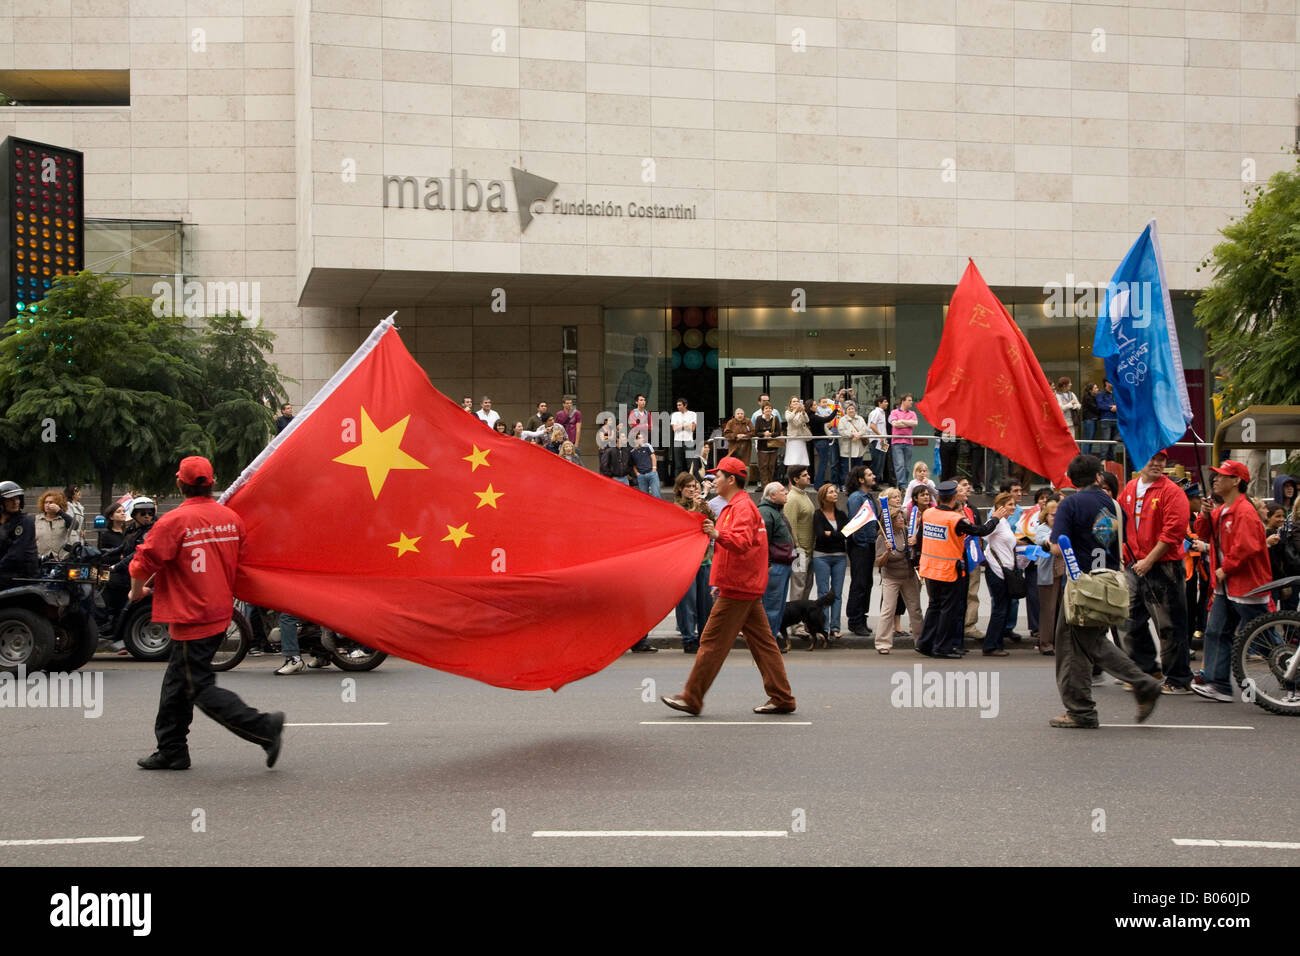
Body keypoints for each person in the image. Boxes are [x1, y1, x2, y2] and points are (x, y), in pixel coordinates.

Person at [131, 456, 284, 770]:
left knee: (197, 687)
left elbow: (143, 561)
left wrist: (136, 592)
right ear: (212, 482)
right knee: (176, 684)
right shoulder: (230, 518)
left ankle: (263, 728)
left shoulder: (174, 521)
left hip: (192, 618)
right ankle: (172, 749)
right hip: (218, 614)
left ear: (179, 483)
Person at [661, 456, 796, 716]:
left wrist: (716, 534)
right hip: (741, 585)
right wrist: (717, 581)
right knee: (764, 644)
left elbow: (741, 542)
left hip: (739, 587)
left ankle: (692, 697)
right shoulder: (736, 506)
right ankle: (782, 697)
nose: (714, 480)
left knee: (711, 641)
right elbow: (732, 549)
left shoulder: (742, 508)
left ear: (731, 480)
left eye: (718, 476)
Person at [1048, 454, 1161, 728]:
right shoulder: (1113, 505)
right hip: (1108, 583)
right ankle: (1082, 708)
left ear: (1073, 480)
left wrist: (1045, 545)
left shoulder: (1070, 504)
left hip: (1081, 586)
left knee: (1078, 645)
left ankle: (1134, 686)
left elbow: (1057, 547)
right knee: (1086, 643)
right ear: (1098, 477)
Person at [1192, 460, 1273, 703]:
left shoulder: (1244, 510)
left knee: (1266, 638)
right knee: (1216, 632)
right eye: (1215, 476)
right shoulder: (1224, 509)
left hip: (1247, 586)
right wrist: (1205, 515)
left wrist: (1225, 568)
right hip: (1226, 587)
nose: (1215, 479)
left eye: (1222, 476)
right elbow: (1204, 533)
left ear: (1236, 481)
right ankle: (1219, 685)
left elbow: (1247, 547)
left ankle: (1293, 679)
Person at [1118, 449, 1193, 695]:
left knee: (1169, 625)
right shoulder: (1129, 489)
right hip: (1134, 564)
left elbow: (1173, 533)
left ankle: (1179, 677)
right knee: (1129, 620)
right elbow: (1121, 522)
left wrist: (1149, 560)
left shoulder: (1172, 491)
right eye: (1153, 458)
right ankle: (1145, 669)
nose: (1157, 463)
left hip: (1164, 566)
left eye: (1161, 459)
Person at [916, 481, 1010, 659]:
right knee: (947, 610)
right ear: (953, 498)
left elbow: (921, 537)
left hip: (929, 568)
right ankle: (941, 647)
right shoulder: (955, 519)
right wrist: (996, 518)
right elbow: (980, 530)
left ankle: (925, 643)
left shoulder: (928, 513)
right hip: (948, 570)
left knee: (934, 607)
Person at [874, 487, 921, 653]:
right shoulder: (883, 538)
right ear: (891, 521)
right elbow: (879, 563)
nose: (902, 519)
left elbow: (915, 554)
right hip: (891, 577)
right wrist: (887, 551)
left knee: (915, 609)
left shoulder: (907, 532)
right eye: (899, 517)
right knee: (888, 610)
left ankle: (920, 641)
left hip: (909, 576)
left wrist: (915, 544)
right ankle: (883, 643)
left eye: (902, 516)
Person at [672, 472, 714, 654]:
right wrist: (695, 510)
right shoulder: (675, 508)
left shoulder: (701, 505)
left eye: (694, 486)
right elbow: (684, 527)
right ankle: (688, 637)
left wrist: (704, 508)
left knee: (705, 602)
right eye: (687, 487)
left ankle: (704, 636)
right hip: (685, 562)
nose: (691, 490)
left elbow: (714, 522)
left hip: (704, 559)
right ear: (680, 489)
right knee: (687, 602)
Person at [981, 492, 1025, 657]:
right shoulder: (997, 522)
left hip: (1006, 571)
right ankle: (991, 645)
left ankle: (996, 643)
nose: (1013, 507)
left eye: (1014, 504)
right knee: (1000, 609)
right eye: (1010, 505)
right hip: (996, 570)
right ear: (1001, 507)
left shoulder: (1005, 522)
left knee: (1003, 608)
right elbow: (984, 534)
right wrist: (994, 518)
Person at [758, 482, 796, 651]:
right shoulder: (766, 512)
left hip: (782, 566)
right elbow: (762, 542)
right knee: (771, 606)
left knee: (777, 606)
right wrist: (766, 565)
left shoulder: (775, 511)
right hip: (775, 567)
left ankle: (770, 641)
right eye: (782, 491)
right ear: (772, 496)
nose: (786, 492)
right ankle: (767, 643)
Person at [811, 483, 849, 641]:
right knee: (824, 593)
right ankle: (823, 627)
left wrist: (831, 534)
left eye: (835, 492)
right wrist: (837, 534)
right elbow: (820, 535)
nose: (835, 494)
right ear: (823, 496)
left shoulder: (841, 514)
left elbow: (847, 533)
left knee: (838, 593)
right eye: (831, 492)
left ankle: (835, 627)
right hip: (821, 556)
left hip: (840, 556)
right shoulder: (818, 514)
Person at [844, 465, 879, 637]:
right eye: (869, 474)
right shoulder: (856, 498)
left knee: (867, 583)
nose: (873, 476)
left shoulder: (869, 496)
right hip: (861, 546)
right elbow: (855, 524)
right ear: (860, 479)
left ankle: (861, 618)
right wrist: (863, 543)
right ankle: (855, 620)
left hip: (869, 544)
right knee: (859, 583)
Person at [1033, 498, 1064, 655]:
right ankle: (1046, 643)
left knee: (1063, 610)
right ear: (1046, 516)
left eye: (1059, 515)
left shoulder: (1063, 528)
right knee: (1048, 610)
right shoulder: (1042, 529)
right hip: (1048, 575)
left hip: (1063, 573)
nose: (1056, 518)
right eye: (1053, 515)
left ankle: (1060, 641)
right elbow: (1045, 541)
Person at [1182, 483, 1211, 643]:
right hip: (1185, 572)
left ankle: (1193, 635)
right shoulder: (1181, 518)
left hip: (1197, 570)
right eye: (1197, 498)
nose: (1200, 501)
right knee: (1186, 610)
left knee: (1193, 608)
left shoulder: (1194, 518)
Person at [783, 464, 816, 603]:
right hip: (799, 552)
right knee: (798, 589)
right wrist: (797, 549)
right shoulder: (792, 498)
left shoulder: (803, 495)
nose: (808, 476)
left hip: (808, 551)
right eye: (804, 475)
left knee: (807, 587)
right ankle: (795, 624)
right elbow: (790, 526)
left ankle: (802, 620)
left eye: (807, 474)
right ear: (795, 479)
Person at [0, 481, 38, 589]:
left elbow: (16, 555)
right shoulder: (3, 523)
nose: (15, 502)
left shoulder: (25, 522)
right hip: (6, 574)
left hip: (21, 576)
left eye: (17, 498)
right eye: (10, 499)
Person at [34, 490, 77, 560]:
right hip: (42, 560)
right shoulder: (36, 520)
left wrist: (60, 511)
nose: (47, 505)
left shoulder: (64, 519)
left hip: (61, 559)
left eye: (51, 502)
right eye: (45, 502)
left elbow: (75, 526)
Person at [888, 393, 918, 489]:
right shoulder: (894, 412)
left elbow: (915, 423)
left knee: (907, 466)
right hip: (897, 442)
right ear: (903, 401)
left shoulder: (912, 413)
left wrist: (902, 421)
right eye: (909, 400)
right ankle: (903, 485)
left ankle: (904, 483)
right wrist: (908, 423)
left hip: (908, 442)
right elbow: (895, 424)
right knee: (900, 464)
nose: (911, 402)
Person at [836, 401, 867, 489]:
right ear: (846, 410)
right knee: (846, 469)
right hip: (847, 449)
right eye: (849, 409)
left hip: (859, 449)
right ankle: (845, 485)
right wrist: (852, 434)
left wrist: (858, 435)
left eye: (852, 408)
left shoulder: (860, 418)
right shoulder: (843, 420)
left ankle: (857, 485)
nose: (851, 410)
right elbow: (841, 431)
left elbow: (865, 429)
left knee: (858, 469)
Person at [755, 402, 783, 488]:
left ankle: (770, 487)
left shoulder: (775, 418)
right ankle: (765, 488)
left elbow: (778, 432)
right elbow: (756, 432)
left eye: (770, 408)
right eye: (766, 408)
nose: (768, 410)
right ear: (763, 410)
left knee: (771, 467)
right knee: (763, 467)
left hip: (773, 447)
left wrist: (771, 434)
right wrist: (764, 434)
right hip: (762, 447)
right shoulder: (759, 419)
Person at [722, 407, 755, 478]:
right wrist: (736, 436)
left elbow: (753, 432)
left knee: (745, 467)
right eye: (738, 414)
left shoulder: (748, 421)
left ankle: (744, 485)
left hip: (746, 448)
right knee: (733, 466)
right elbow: (726, 434)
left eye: (741, 414)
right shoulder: (730, 422)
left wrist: (745, 436)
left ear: (744, 414)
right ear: (735, 415)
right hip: (734, 448)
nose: (740, 415)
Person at [670, 397, 696, 480]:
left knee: (690, 463)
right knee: (678, 464)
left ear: (685, 405)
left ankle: (691, 481)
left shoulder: (692, 414)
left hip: (689, 440)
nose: (678, 407)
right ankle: (678, 483)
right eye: (677, 405)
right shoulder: (675, 415)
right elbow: (674, 428)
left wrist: (680, 426)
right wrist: (686, 425)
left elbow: (692, 428)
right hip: (678, 440)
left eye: (680, 405)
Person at [630, 430, 660, 497]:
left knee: (656, 495)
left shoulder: (647, 446)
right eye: (640, 438)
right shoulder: (632, 452)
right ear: (635, 440)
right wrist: (637, 474)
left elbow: (653, 457)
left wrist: (654, 469)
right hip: (641, 476)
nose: (642, 439)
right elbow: (633, 465)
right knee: (644, 497)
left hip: (652, 473)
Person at [784, 396, 810, 470]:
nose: (796, 403)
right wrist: (795, 411)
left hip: (801, 438)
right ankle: (791, 479)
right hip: (792, 438)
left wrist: (803, 412)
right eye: (794, 401)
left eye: (797, 401)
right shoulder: (788, 412)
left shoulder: (801, 412)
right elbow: (789, 419)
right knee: (792, 460)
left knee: (802, 460)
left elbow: (807, 420)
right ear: (790, 405)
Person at [867, 396, 890, 480]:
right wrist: (880, 435)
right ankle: (873, 482)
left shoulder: (882, 413)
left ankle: (877, 481)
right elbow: (872, 425)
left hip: (883, 441)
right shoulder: (876, 412)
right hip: (876, 441)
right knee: (877, 462)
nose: (887, 403)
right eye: (885, 402)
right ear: (879, 403)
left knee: (881, 463)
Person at [1096, 380, 1118, 460]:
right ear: (1106, 383)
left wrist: (1117, 407)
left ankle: (1111, 463)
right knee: (1106, 442)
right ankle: (1103, 462)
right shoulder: (1101, 394)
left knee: (1114, 444)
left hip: (1116, 420)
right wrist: (1111, 408)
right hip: (1106, 420)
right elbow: (1100, 405)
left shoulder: (1116, 393)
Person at [1080, 383, 1101, 454]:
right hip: (1089, 420)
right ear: (1090, 391)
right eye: (1095, 388)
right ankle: (1085, 455)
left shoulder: (1094, 398)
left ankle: (1088, 455)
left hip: (1092, 420)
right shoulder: (1088, 398)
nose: (1097, 389)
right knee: (1088, 439)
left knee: (1090, 439)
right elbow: (1095, 408)